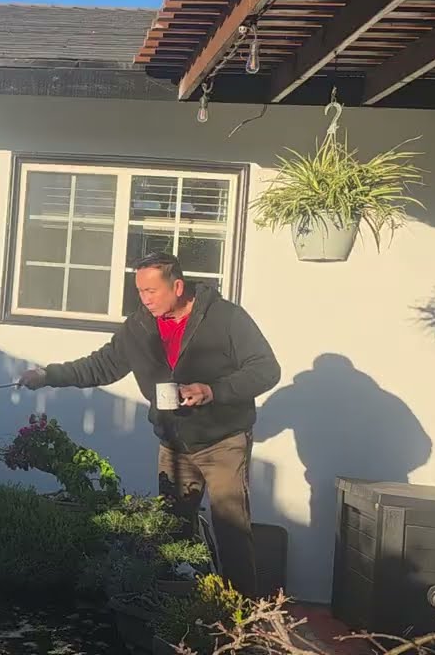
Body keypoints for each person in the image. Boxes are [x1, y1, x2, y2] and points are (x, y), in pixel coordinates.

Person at [18, 252, 280, 596]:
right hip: (173, 443)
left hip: (223, 440)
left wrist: (213, 391)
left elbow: (266, 369)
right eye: (139, 291)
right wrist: (47, 374)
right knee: (170, 531)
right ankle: (181, 607)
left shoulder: (226, 317)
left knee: (231, 530)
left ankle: (240, 618)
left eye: (152, 291)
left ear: (178, 285)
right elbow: (101, 366)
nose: (145, 299)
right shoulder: (139, 327)